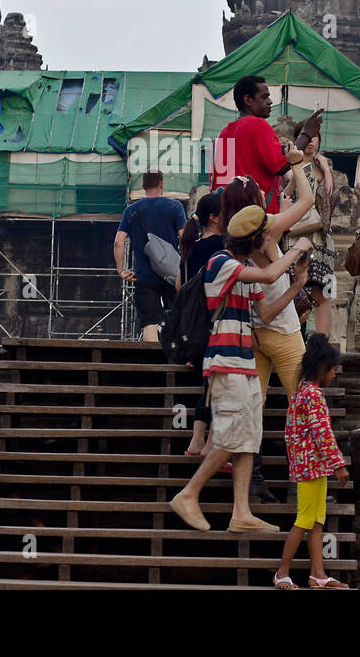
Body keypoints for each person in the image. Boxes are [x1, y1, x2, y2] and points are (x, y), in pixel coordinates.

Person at [169, 205, 312, 533]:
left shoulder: (243, 269)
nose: (269, 238)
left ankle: (241, 512)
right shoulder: (221, 263)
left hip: (244, 362)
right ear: (255, 238)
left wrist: (297, 284)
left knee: (248, 435)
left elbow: (269, 311)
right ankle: (189, 493)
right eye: (265, 234)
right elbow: (270, 274)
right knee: (233, 434)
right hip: (225, 362)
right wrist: (296, 250)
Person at [274, 333, 349, 590]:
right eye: (333, 371)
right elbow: (323, 433)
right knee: (304, 521)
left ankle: (318, 574)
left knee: (316, 522)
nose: (333, 376)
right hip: (310, 468)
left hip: (312, 467)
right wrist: (338, 464)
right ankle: (282, 572)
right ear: (322, 368)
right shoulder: (313, 395)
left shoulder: (299, 393)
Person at [210, 74, 320, 214]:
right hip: (254, 221)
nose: (270, 101)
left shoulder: (222, 135)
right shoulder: (257, 125)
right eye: (264, 97)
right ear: (248, 100)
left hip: (226, 218)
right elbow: (283, 162)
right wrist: (307, 134)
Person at [178, 190, 225, 457]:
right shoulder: (220, 246)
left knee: (209, 386)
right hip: (212, 324)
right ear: (215, 217)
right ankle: (202, 443)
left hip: (192, 328)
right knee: (213, 387)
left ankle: (201, 442)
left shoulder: (191, 246)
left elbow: (178, 285)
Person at [115, 171, 187, 342]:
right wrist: (184, 266)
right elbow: (185, 238)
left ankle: (152, 364)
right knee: (176, 319)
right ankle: (173, 361)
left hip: (144, 277)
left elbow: (118, 242)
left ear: (143, 187)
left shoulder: (131, 210)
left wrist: (121, 269)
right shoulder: (174, 207)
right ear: (161, 184)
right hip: (172, 274)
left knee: (150, 323)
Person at [281, 129, 339, 340]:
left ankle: (323, 343)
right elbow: (283, 196)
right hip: (296, 234)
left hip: (322, 238)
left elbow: (329, 203)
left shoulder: (324, 167)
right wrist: (296, 172)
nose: (312, 140)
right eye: (308, 135)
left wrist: (326, 171)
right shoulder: (287, 167)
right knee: (296, 289)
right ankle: (296, 339)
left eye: (316, 136)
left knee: (323, 293)